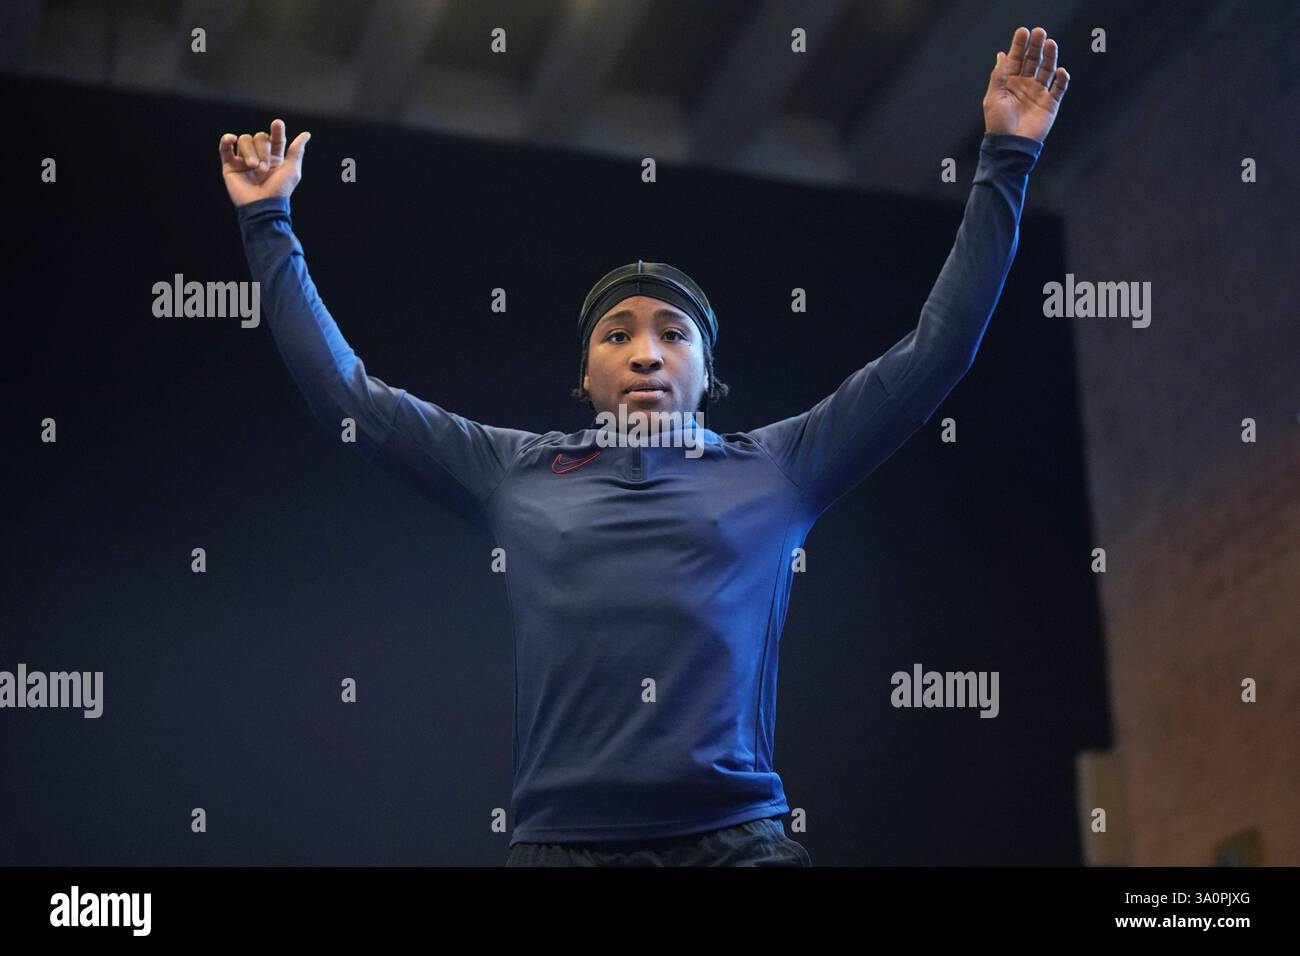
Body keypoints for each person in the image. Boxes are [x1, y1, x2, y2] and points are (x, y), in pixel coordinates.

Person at [219, 26, 1068, 866]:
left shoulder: (779, 469)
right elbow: (349, 399)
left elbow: (939, 350)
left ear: (708, 374)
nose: (647, 352)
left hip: (739, 844)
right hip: (562, 847)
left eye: (674, 334)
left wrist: (1004, 161)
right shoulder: (516, 473)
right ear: (585, 377)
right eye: (617, 335)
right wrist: (268, 222)